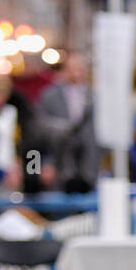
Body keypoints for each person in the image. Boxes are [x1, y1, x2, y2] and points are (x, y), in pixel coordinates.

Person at [35, 55, 98, 193]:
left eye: (79, 69)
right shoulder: (49, 95)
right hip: (59, 160)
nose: (76, 73)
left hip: (88, 164)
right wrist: (45, 164)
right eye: (72, 69)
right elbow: (40, 127)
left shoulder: (95, 96)